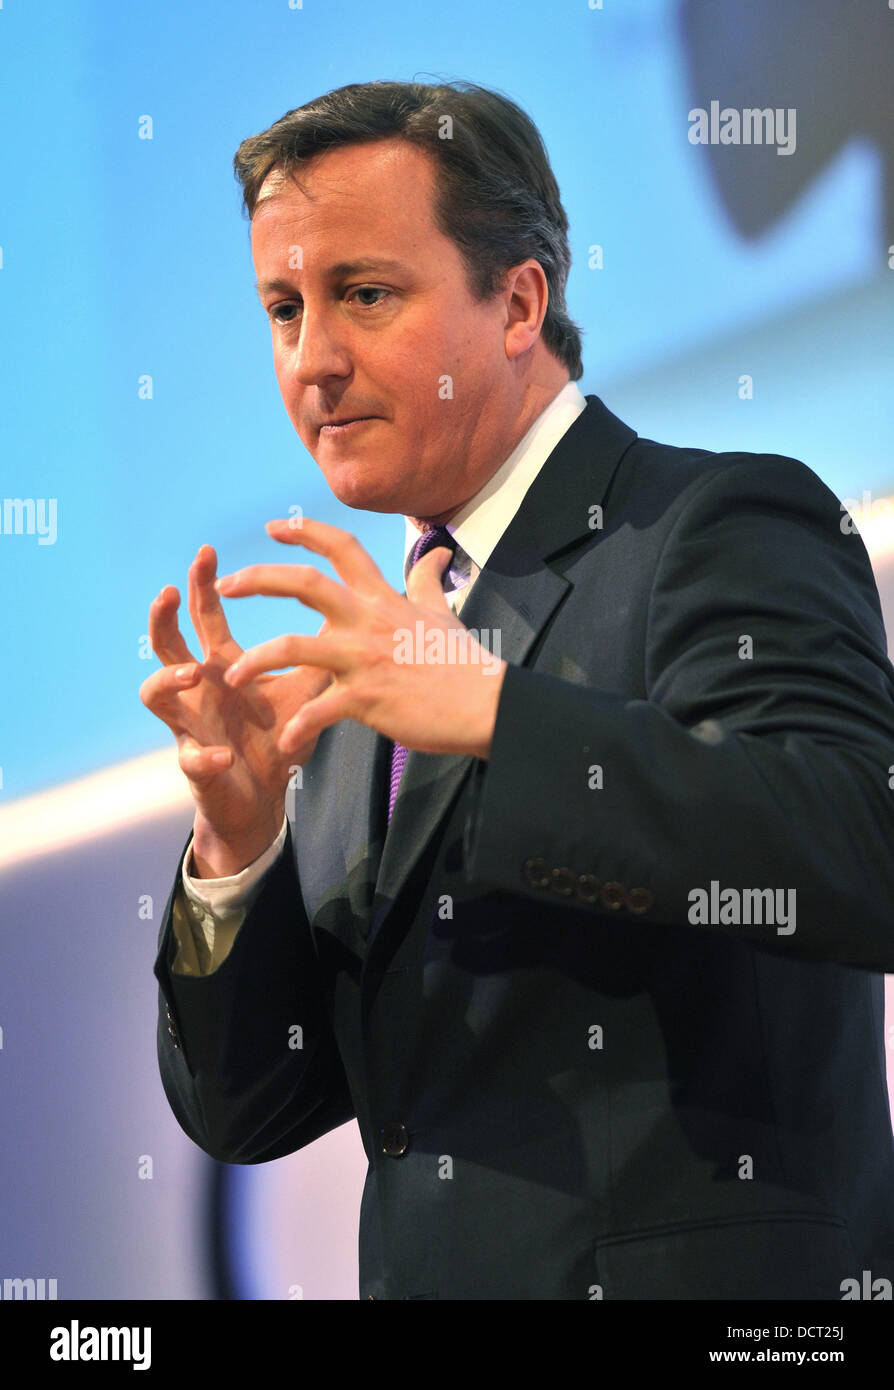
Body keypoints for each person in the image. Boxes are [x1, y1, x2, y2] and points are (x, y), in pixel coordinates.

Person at [143, 79, 894, 1300]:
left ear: (520, 301)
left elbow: (859, 845)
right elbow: (252, 1108)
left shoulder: (714, 522)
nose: (314, 359)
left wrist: (491, 712)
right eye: (283, 308)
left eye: (364, 294)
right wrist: (238, 842)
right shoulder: (364, 671)